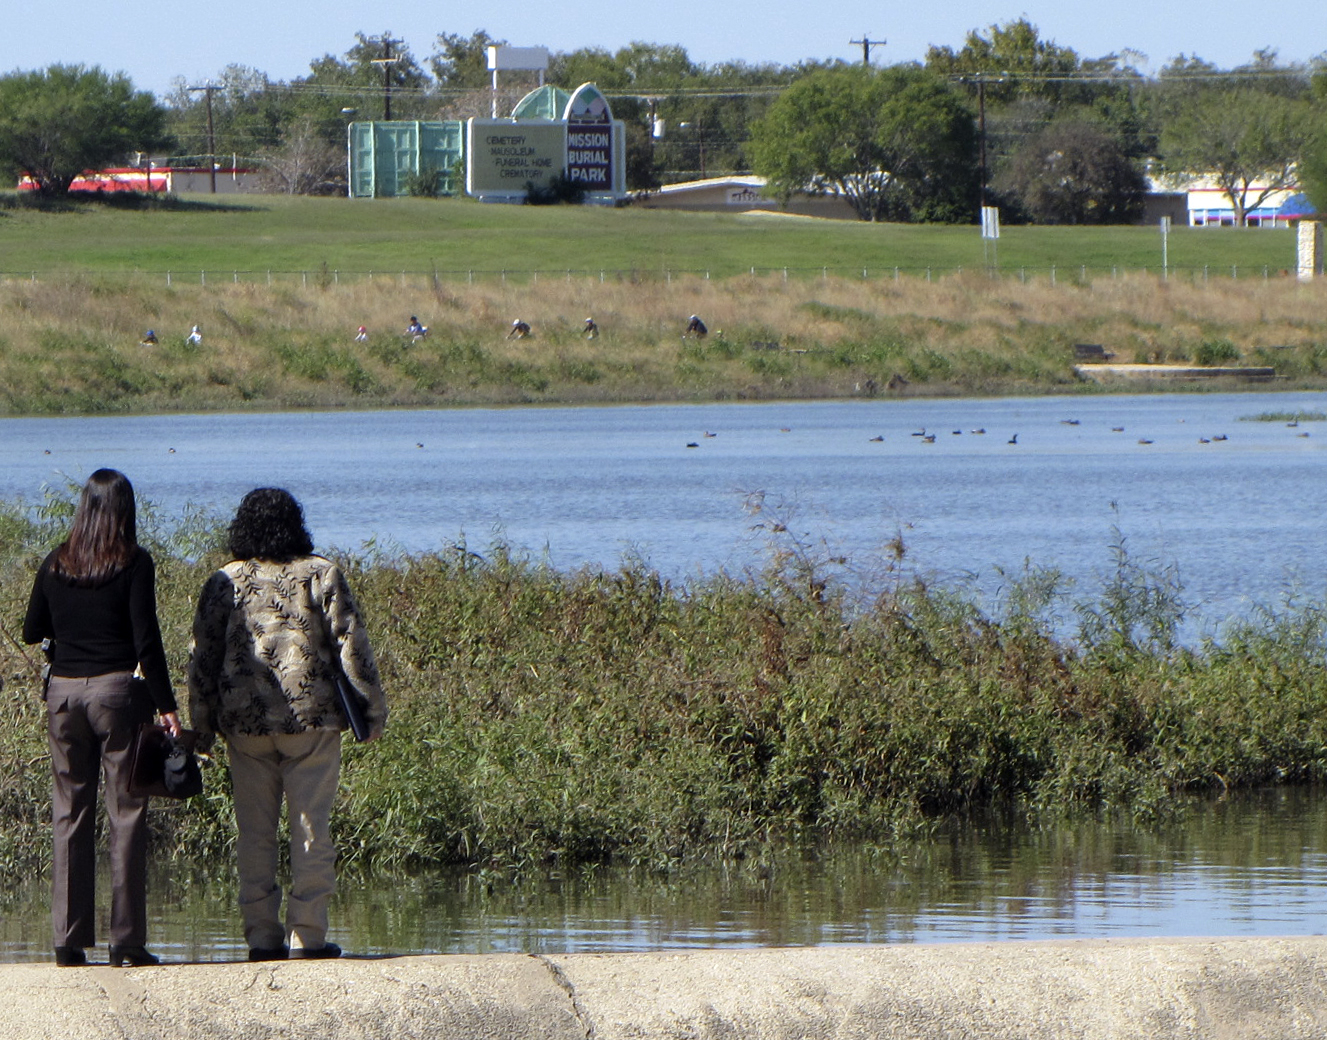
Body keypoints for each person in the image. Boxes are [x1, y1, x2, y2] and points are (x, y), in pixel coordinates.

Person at [187, 488, 387, 962]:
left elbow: (201, 656)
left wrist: (201, 726)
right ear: (295, 523)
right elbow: (351, 647)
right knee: (311, 827)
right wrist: (372, 710)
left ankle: (261, 936)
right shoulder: (322, 573)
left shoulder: (224, 579)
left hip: (243, 724)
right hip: (311, 721)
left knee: (254, 832)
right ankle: (307, 937)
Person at [22, 469, 182, 968]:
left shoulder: (56, 563)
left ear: (84, 508)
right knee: (126, 814)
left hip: (64, 698)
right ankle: (126, 943)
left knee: (70, 813)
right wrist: (168, 705)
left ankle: (67, 941)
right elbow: (146, 641)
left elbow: (31, 630)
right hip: (117, 694)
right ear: (124, 510)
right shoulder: (134, 563)